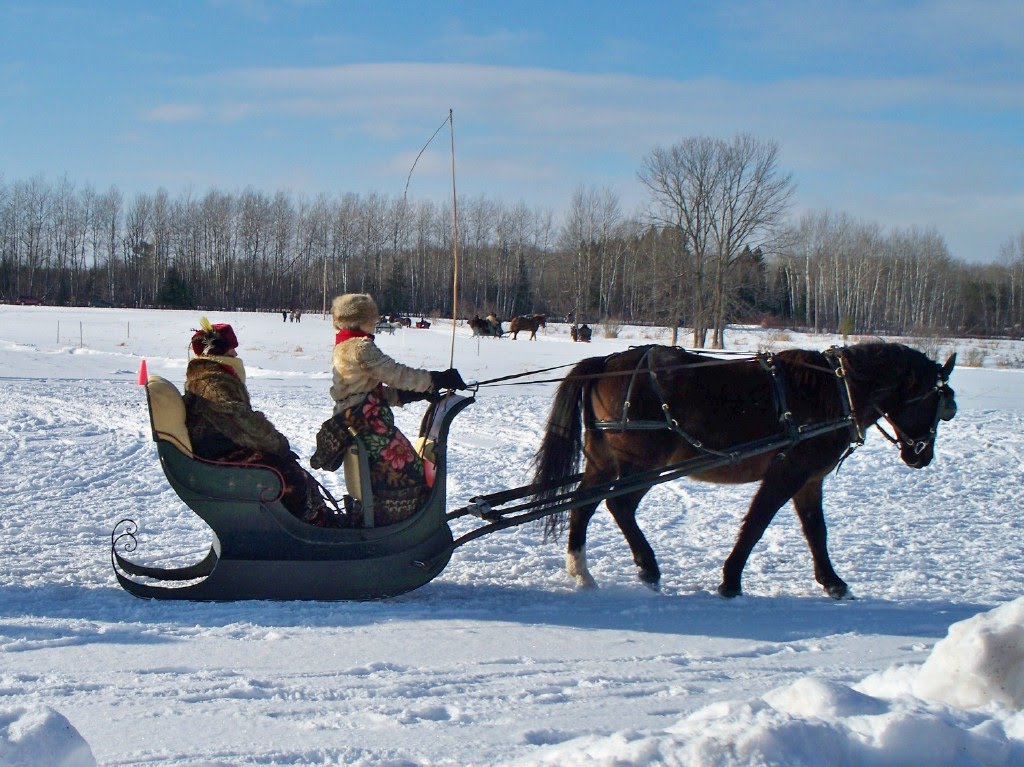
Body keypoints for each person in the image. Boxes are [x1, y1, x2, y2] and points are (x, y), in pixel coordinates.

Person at [310, 293, 466, 526]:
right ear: (361, 319)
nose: (375, 322)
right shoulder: (362, 347)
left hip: (355, 420)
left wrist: (411, 394)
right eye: (372, 318)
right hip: (368, 424)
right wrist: (436, 379)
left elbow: (363, 392)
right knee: (408, 466)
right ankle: (400, 517)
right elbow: (397, 374)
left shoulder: (343, 344)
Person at [183, 317, 338, 527]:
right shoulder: (214, 381)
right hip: (218, 453)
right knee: (288, 474)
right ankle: (311, 526)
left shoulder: (210, 376)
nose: (236, 354)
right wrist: (277, 444)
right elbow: (242, 419)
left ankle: (314, 520)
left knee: (291, 469)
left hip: (219, 448)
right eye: (231, 350)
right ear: (218, 352)